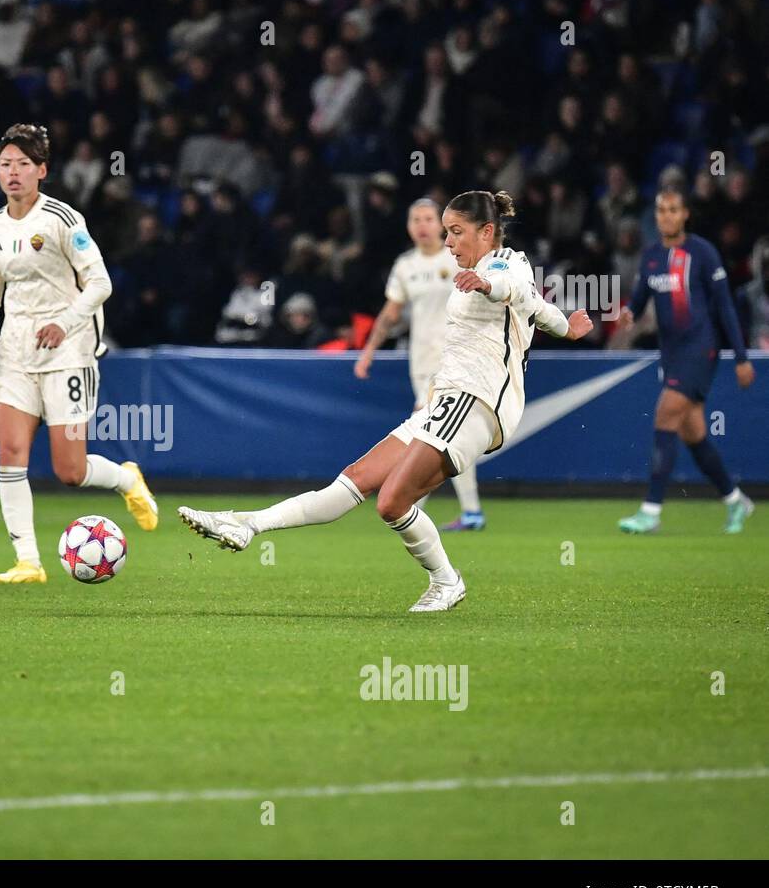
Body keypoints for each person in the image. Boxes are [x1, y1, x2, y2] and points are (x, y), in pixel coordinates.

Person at [179, 191, 594, 612]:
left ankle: (447, 582)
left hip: (477, 402)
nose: (447, 241)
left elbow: (515, 288)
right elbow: (540, 308)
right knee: (354, 479)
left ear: (487, 232)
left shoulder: (504, 265)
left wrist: (488, 284)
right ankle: (246, 523)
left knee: (392, 502)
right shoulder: (470, 269)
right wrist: (569, 329)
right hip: (446, 401)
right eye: (446, 231)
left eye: (456, 232)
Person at [0, 124, 158, 584]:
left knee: (70, 470)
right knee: (10, 449)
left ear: (42, 171)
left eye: (24, 164)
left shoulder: (63, 219)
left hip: (69, 351)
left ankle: (126, 478)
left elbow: (101, 284)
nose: (14, 172)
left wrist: (63, 324)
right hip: (15, 353)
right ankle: (29, 561)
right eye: (6, 164)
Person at [614, 189, 756, 534]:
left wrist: (740, 356)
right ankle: (736, 501)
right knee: (694, 433)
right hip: (672, 354)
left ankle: (651, 511)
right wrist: (629, 313)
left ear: (685, 214)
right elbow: (640, 297)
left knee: (665, 414)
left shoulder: (703, 253)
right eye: (661, 210)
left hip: (701, 349)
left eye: (673, 209)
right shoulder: (651, 257)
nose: (666, 215)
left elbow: (724, 306)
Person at [356, 198, 486, 530]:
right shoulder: (405, 266)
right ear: (409, 226)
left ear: (441, 223)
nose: (422, 224)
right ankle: (468, 512)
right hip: (421, 363)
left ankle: (406, 506)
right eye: (416, 219)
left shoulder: (458, 257)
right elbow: (390, 313)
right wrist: (369, 350)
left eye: (429, 218)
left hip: (457, 359)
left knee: (429, 431)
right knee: (446, 435)